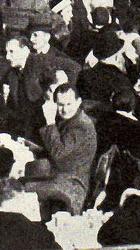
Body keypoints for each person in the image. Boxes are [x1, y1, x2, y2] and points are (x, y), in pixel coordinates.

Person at [27, 83, 98, 215]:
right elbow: (59, 150)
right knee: (23, 181)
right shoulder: (71, 120)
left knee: (22, 189)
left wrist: (50, 122)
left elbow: (58, 153)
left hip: (73, 184)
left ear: (79, 102)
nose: (65, 109)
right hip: (62, 176)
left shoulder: (81, 126)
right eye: (60, 105)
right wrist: (32, 147)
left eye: (69, 104)